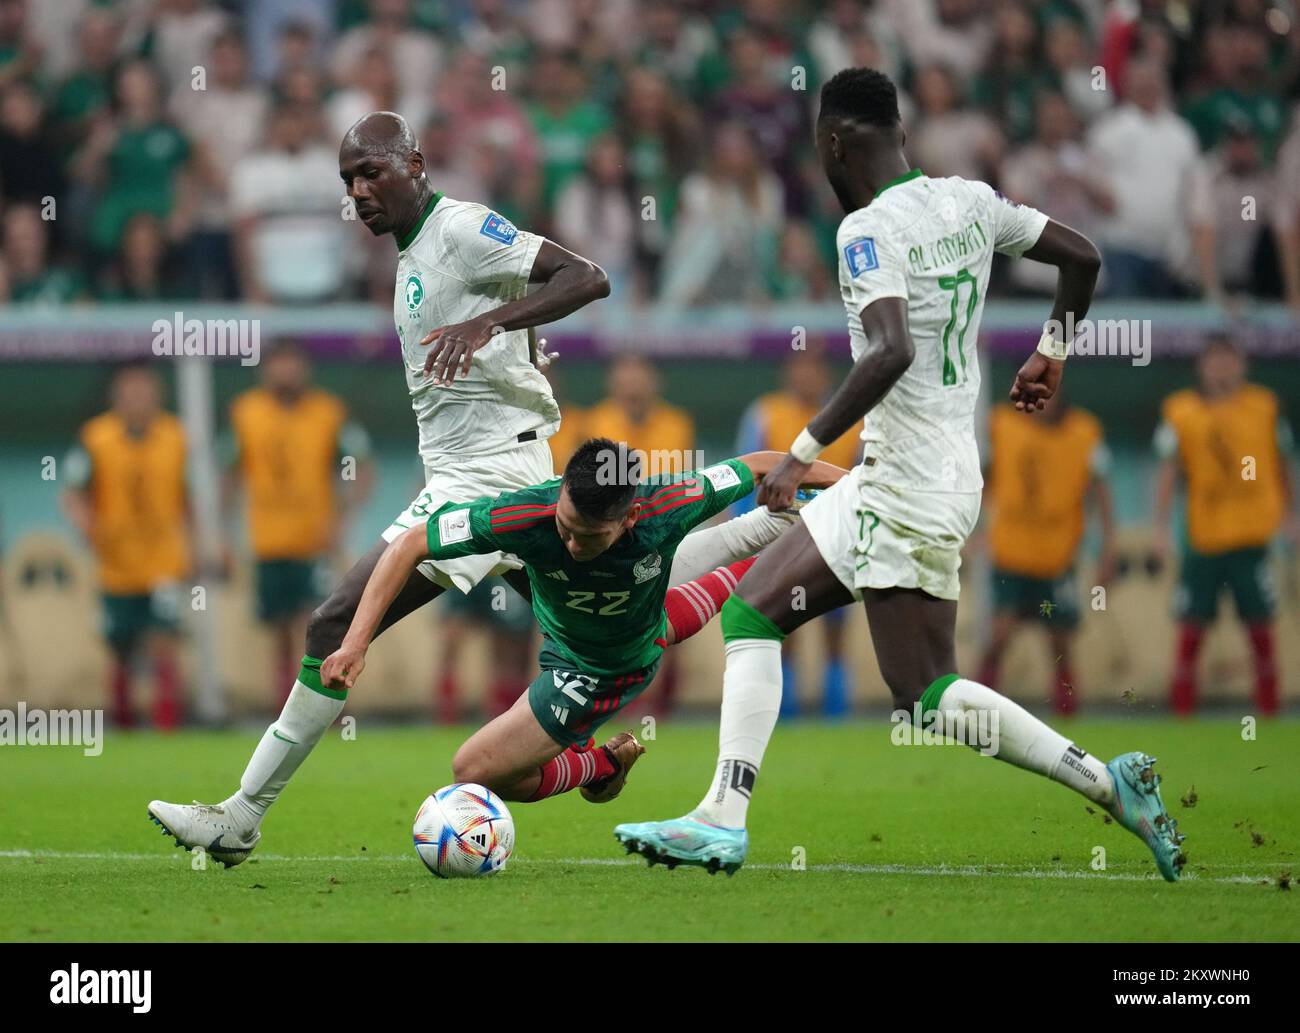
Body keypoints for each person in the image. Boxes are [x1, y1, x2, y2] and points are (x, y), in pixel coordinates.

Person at [615, 67, 1186, 883]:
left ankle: (1106, 780)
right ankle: (720, 814)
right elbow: (1083, 258)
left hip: (906, 483)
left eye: (819, 149)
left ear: (835, 142)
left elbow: (891, 349)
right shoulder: (972, 202)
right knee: (754, 616)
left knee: (922, 690)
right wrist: (1052, 352)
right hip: (923, 472)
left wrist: (803, 449)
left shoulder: (866, 232)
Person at [146, 110, 610, 864]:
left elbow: (587, 276)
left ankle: (240, 816)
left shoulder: (459, 229)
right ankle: (601, 758)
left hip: (487, 474)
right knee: (610, 621)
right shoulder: (413, 255)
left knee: (335, 622)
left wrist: (491, 323)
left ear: (416, 163)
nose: (359, 191)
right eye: (348, 181)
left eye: (372, 173)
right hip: (493, 471)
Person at [320, 440, 846, 805]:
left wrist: (862, 486)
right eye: (566, 526)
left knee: (474, 774)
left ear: (631, 516)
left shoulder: (667, 503)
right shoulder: (525, 514)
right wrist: (355, 643)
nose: (571, 543)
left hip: (598, 669)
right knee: (673, 599)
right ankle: (604, 763)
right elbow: (413, 541)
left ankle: (600, 766)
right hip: (614, 626)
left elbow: (761, 465)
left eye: (588, 537)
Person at [224, 339, 373, 706]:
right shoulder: (245, 413)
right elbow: (227, 475)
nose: (285, 371)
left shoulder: (329, 412)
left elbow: (363, 467)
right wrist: (224, 534)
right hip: (267, 542)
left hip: (315, 543)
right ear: (266, 370)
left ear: (304, 369)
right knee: (277, 633)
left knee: (321, 627)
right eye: (279, 363)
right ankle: (285, 709)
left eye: (292, 363)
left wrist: (341, 519)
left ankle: (324, 707)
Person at [1153, 334, 1297, 716]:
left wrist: (1290, 517)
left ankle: (1269, 714)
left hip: (1252, 537)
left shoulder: (1264, 407)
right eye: (1215, 360)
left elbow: (1282, 464)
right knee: (1191, 627)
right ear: (1202, 366)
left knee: (1260, 627)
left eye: (1229, 360)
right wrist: (1161, 527)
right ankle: (1182, 715)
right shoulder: (1180, 412)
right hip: (1204, 539)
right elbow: (1168, 471)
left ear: (1242, 365)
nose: (1222, 368)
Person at [62, 362, 190, 730]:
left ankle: (168, 723)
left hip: (164, 560)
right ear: (116, 396)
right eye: (129, 391)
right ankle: (124, 723)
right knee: (119, 647)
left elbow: (188, 498)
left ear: (157, 394)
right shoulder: (95, 438)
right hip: (115, 563)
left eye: (144, 390)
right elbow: (73, 492)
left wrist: (199, 545)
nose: (137, 398)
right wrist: (86, 525)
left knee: (165, 640)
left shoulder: (176, 436)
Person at [736, 348, 861, 717]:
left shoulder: (853, 418)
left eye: (815, 367)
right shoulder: (765, 413)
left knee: (835, 633)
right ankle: (784, 715)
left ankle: (836, 714)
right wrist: (746, 537)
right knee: (781, 628)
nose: (807, 375)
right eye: (799, 367)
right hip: (781, 540)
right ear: (787, 373)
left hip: (837, 538)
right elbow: (745, 474)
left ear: (827, 375)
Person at [977, 392, 1116, 715]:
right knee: (999, 634)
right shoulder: (1000, 425)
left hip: (1057, 560)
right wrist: (972, 529)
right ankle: (975, 709)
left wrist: (1108, 548)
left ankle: (1068, 712)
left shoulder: (1085, 432)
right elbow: (980, 477)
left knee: (1060, 641)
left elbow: (1101, 492)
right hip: (1009, 555)